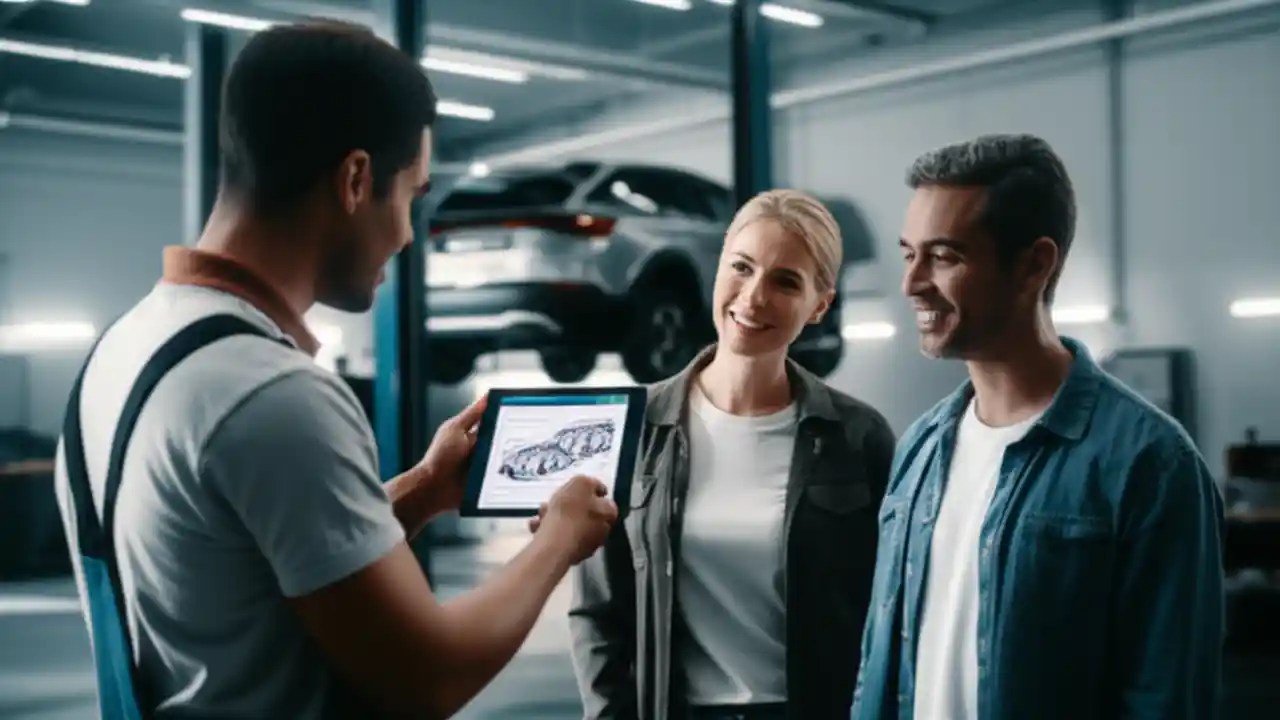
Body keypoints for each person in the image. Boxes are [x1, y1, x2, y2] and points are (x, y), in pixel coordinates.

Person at [52, 21, 617, 719]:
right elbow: (428, 676)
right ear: (355, 179)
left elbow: (240, 565)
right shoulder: (272, 393)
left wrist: (419, 493)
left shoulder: (126, 347)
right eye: (410, 195)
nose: (409, 233)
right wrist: (561, 539)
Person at [852, 134, 1225, 720]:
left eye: (945, 256)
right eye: (908, 253)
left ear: (1034, 264)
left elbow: (1166, 697)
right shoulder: (921, 446)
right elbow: (879, 659)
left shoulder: (1148, 462)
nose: (912, 283)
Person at [538, 189, 898, 720]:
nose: (753, 297)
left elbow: (889, 612)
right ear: (718, 268)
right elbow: (598, 612)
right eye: (742, 267)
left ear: (819, 304)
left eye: (785, 281)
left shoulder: (859, 438)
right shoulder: (634, 429)